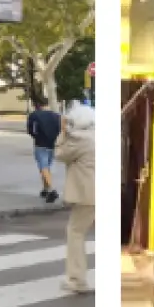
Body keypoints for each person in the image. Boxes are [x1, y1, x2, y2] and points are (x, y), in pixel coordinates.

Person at [55, 102, 96, 294]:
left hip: (89, 195)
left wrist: (63, 132)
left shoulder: (81, 140)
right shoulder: (97, 136)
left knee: (75, 232)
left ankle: (77, 279)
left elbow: (60, 153)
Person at [26, 95, 63, 204]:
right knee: (47, 167)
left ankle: (52, 189)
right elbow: (61, 129)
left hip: (40, 144)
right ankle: (45, 189)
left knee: (43, 167)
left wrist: (36, 137)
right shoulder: (56, 116)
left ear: (36, 105)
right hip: (53, 144)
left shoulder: (34, 115)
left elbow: (30, 130)